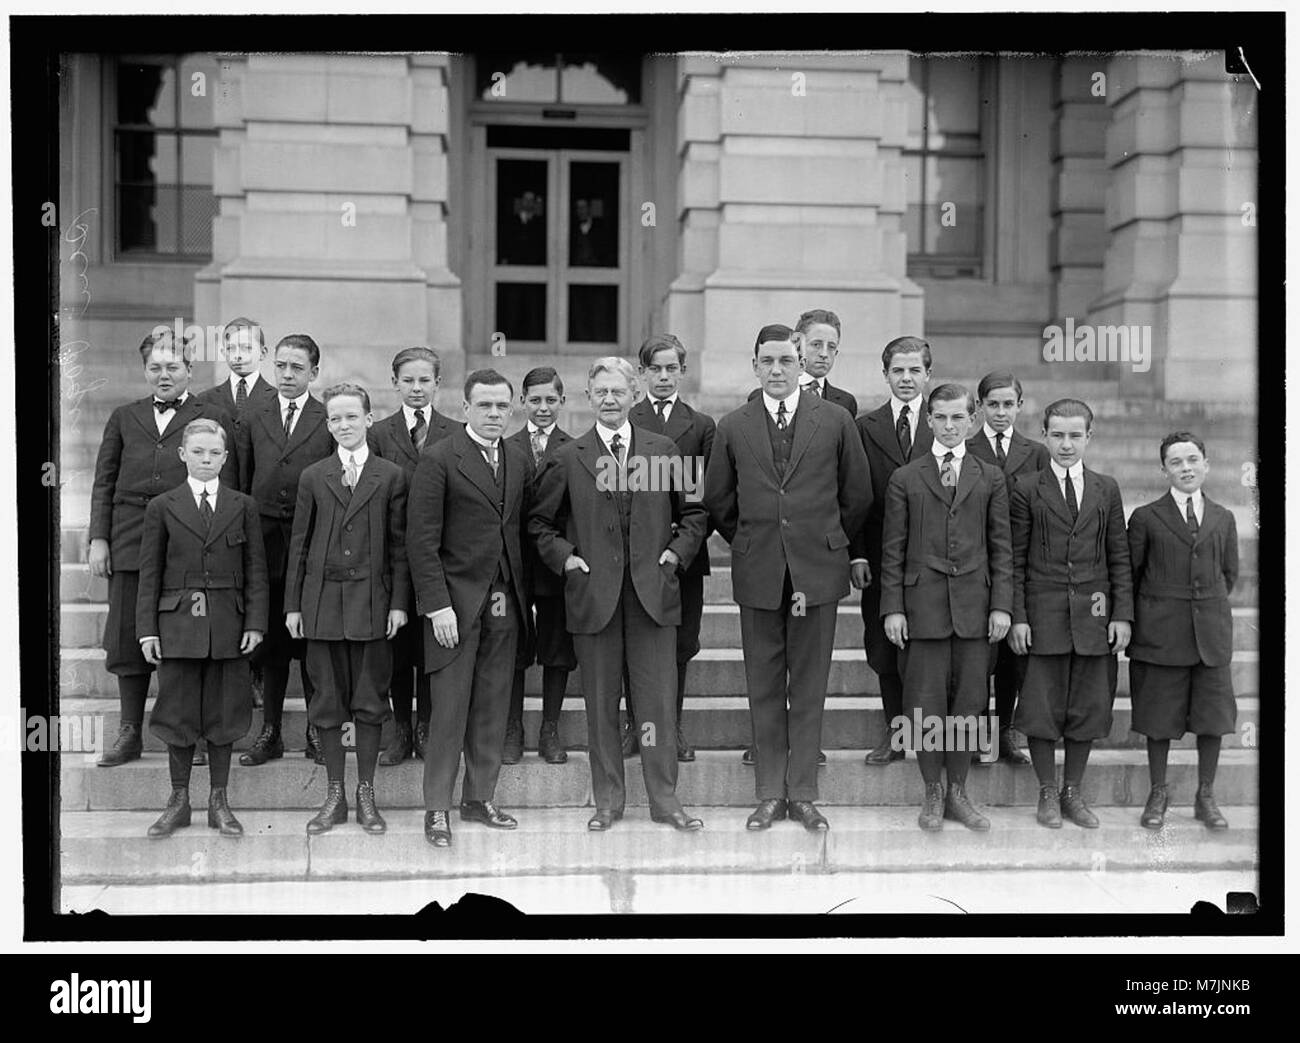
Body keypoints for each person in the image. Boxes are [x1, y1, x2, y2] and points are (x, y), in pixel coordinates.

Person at [703, 325, 871, 832]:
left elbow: (857, 495)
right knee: (764, 684)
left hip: (816, 572)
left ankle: (803, 793)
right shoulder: (733, 425)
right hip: (759, 573)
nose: (776, 370)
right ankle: (769, 793)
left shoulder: (837, 420)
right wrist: (755, 542)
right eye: (767, 361)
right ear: (754, 366)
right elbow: (718, 500)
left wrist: (820, 542)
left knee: (811, 683)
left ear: (801, 363)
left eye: (785, 360)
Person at [530, 357, 707, 833]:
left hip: (653, 597)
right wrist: (567, 558)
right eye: (601, 392)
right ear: (590, 398)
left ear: (633, 395)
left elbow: (696, 513)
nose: (610, 400)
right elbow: (539, 524)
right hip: (595, 598)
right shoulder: (568, 456)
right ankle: (608, 801)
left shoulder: (666, 448)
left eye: (618, 392)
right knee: (601, 704)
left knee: (656, 705)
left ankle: (665, 800)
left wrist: (673, 556)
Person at [89, 327, 238, 768]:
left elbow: (224, 483)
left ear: (189, 369)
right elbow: (104, 480)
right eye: (155, 367)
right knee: (126, 638)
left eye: (172, 366)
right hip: (130, 538)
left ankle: (192, 732)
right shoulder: (124, 416)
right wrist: (100, 538)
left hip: (187, 543)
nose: (163, 374)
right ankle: (130, 731)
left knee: (188, 640)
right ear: (145, 372)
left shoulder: (210, 415)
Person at [880, 384, 1012, 831]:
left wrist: (1002, 607)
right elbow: (893, 549)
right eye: (942, 418)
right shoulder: (906, 477)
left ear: (972, 420)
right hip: (923, 609)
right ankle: (932, 792)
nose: (951, 426)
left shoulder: (989, 476)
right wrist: (893, 608)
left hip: (976, 609)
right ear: (930, 421)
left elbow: (1002, 547)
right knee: (925, 706)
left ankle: (959, 791)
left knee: (969, 705)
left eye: (959, 418)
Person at [409, 370, 530, 849]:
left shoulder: (518, 461)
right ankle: (437, 808)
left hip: (504, 602)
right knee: (450, 709)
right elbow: (421, 541)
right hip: (455, 606)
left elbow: (517, 532)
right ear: (465, 409)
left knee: (492, 706)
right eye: (485, 407)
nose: (495, 415)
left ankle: (479, 798)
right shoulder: (439, 459)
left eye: (503, 406)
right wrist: (437, 607)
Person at [284, 384, 409, 834]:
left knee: (370, 701)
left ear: (369, 419)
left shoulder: (390, 475)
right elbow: (299, 544)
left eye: (351, 417)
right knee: (327, 702)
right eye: (335, 419)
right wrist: (293, 605)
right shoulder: (314, 476)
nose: (343, 426)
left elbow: (399, 547)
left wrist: (398, 604)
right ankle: (334, 793)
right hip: (321, 607)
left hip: (373, 607)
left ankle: (366, 795)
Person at [136, 419, 268, 837]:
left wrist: (256, 623)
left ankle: (219, 801)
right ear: (183, 454)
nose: (207, 460)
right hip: (177, 626)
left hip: (229, 625)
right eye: (198, 452)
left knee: (224, 713)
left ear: (226, 457)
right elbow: (149, 573)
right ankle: (178, 800)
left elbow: (256, 571)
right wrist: (147, 630)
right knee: (177, 711)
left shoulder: (242, 505)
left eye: (214, 453)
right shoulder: (162, 506)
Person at [1009, 399, 1133, 829]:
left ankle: (1072, 791)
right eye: (1057, 435)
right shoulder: (1027, 489)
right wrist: (1019, 616)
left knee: (1087, 706)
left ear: (1088, 437)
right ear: (1044, 435)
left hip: (1095, 619)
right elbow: (1016, 559)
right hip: (1044, 616)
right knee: (1041, 705)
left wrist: (1122, 615)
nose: (1066, 444)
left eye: (1074, 435)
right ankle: (1046, 790)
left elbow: (1119, 554)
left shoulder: (1106, 489)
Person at [1128, 432, 1239, 831]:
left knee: (1213, 717)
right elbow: (1133, 574)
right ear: (1164, 470)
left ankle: (1205, 794)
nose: (1186, 468)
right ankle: (1158, 791)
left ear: (1206, 464)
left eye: (1193, 459)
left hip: (1209, 635)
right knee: (1159, 718)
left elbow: (1229, 575)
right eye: (1176, 462)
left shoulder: (1223, 518)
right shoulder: (1146, 517)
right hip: (1161, 635)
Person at [236, 334, 336, 767]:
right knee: (274, 644)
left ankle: (316, 730)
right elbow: (241, 481)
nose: (288, 375)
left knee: (312, 643)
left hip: (311, 546)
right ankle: (271, 730)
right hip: (265, 546)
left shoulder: (325, 416)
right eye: (281, 366)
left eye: (297, 368)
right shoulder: (254, 415)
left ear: (314, 372)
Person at [630, 333, 715, 762]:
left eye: (671, 369)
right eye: (655, 369)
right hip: (633, 555)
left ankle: (673, 726)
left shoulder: (699, 427)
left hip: (682, 559)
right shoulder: (626, 418)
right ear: (642, 372)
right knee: (635, 639)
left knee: (680, 644)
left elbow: (699, 501)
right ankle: (636, 725)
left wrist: (680, 550)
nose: (663, 377)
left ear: (683, 371)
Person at [849, 335, 934, 765]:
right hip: (882, 558)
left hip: (932, 562)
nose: (906, 378)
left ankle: (932, 733)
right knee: (885, 647)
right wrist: (858, 554)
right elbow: (858, 496)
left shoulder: (942, 425)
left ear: (927, 375)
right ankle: (896, 732)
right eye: (897, 371)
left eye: (914, 370)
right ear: (885, 375)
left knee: (927, 649)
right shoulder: (866, 428)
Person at [371, 347, 457, 765]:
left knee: (430, 649)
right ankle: (399, 727)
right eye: (409, 381)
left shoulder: (455, 432)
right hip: (393, 557)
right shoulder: (380, 434)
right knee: (398, 649)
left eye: (425, 380)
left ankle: (426, 726)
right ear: (395, 383)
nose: (417, 388)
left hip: (441, 557)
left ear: (437, 384)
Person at [194, 316, 278, 741]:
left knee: (262, 593)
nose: (241, 354)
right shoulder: (208, 400)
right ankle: (238, 674)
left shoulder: (277, 397)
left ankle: (262, 672)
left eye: (249, 347)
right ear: (223, 352)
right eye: (233, 347)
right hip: (221, 517)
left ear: (263, 352)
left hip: (266, 518)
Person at [965, 371, 1051, 765]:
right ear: (980, 407)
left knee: (1014, 659)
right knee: (980, 654)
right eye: (992, 404)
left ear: (1020, 405)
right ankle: (980, 731)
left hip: (1020, 563)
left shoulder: (1035, 452)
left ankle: (1007, 732)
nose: (1001, 413)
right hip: (978, 563)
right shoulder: (966, 448)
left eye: (1008, 404)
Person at [503, 367, 576, 765]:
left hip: (553, 564)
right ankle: (512, 726)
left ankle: (550, 727)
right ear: (522, 403)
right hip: (513, 563)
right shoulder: (506, 445)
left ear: (562, 402)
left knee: (556, 647)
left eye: (551, 400)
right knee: (512, 645)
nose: (543, 407)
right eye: (535, 400)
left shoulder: (577, 447)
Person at [195, 316, 278, 421]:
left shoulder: (276, 399)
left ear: (262, 353)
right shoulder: (205, 399)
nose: (238, 355)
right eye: (231, 348)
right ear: (224, 353)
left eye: (246, 348)